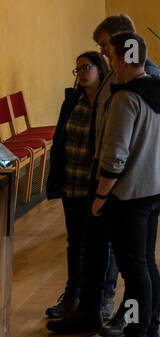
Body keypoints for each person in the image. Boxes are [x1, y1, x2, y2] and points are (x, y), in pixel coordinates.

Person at [47, 14, 160, 337]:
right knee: (96, 247)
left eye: (104, 47)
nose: (102, 53)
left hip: (127, 188)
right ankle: (89, 311)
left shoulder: (142, 81)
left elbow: (128, 143)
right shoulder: (117, 77)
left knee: (136, 264)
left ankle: (132, 322)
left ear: (121, 43)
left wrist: (104, 190)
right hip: (110, 181)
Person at [91, 31, 160, 337]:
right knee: (146, 264)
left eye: (111, 56)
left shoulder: (127, 99)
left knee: (134, 270)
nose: (109, 62)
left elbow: (115, 156)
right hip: (156, 189)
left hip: (130, 195)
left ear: (123, 59)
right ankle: (151, 334)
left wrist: (99, 196)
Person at [44, 51, 110, 320]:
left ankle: (103, 298)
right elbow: (61, 138)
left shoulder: (110, 102)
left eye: (86, 67)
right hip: (71, 182)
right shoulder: (71, 101)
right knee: (75, 242)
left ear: (100, 69)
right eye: (78, 69)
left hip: (97, 185)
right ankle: (73, 294)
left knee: (102, 244)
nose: (81, 73)